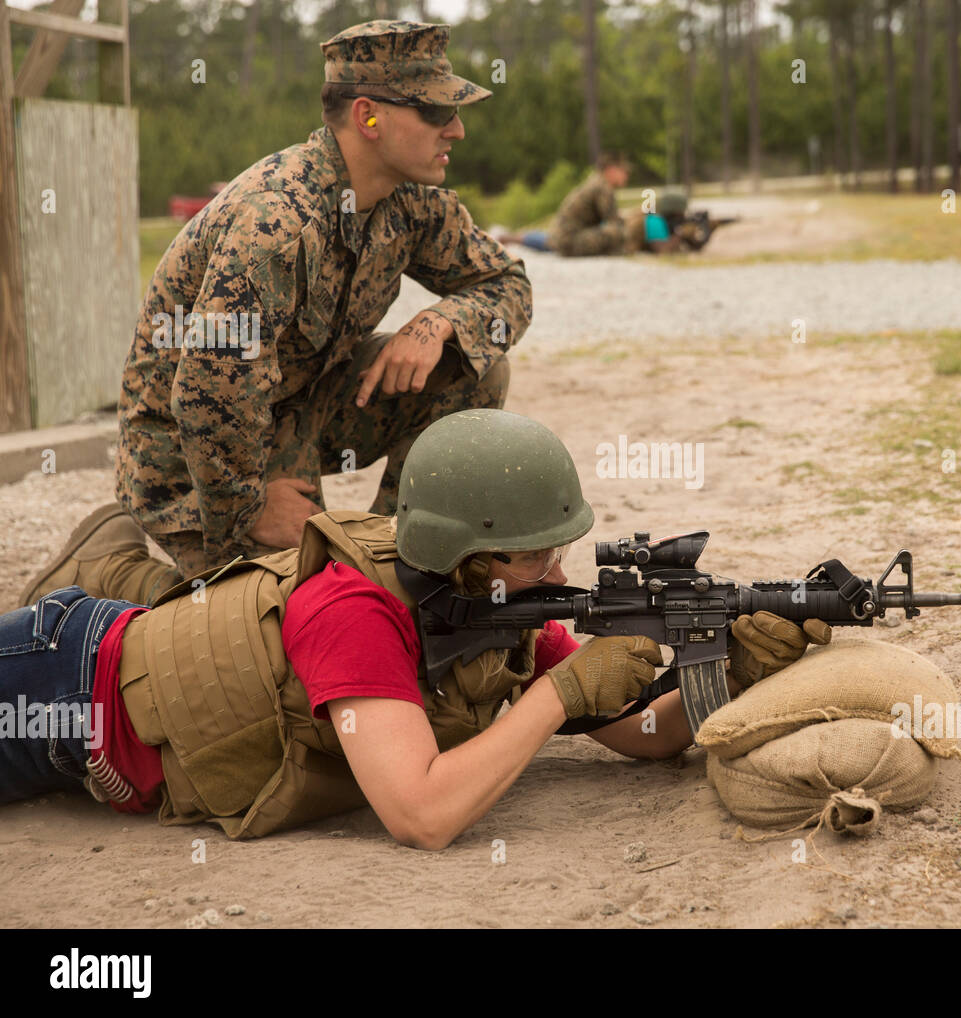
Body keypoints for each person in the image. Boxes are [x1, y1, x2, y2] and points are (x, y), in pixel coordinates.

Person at [1, 410, 829, 850]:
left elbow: (644, 739)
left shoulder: (498, 608)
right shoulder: (354, 613)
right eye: (539, 555)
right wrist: (557, 698)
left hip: (125, 689)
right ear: (467, 555)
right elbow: (422, 817)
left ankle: (116, 571)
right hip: (63, 684)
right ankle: (97, 569)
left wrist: (721, 664)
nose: (560, 574)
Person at [110, 20, 531, 594]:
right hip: (193, 458)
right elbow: (205, 394)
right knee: (271, 632)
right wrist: (250, 507)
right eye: (436, 113)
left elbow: (508, 283)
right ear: (369, 117)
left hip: (295, 412)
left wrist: (439, 322)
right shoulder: (276, 223)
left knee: (472, 368)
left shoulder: (410, 200)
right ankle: (109, 569)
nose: (456, 130)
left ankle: (400, 562)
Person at [516, 152, 629, 256]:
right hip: (569, 242)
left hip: (563, 238)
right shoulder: (603, 188)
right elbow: (614, 221)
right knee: (617, 231)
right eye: (624, 172)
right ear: (611, 170)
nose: (626, 176)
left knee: (548, 241)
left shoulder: (596, 182)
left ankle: (515, 238)